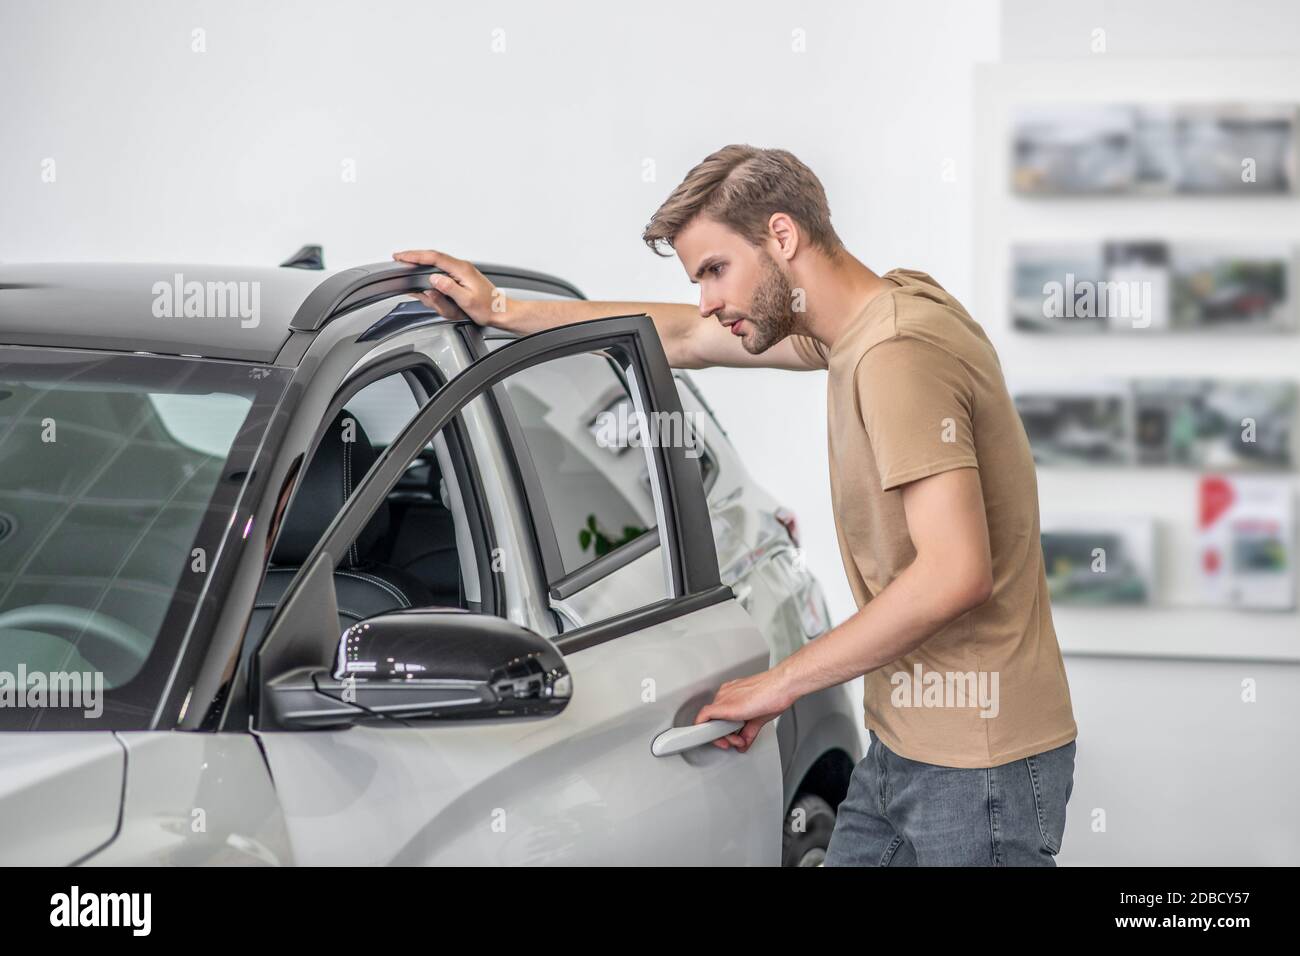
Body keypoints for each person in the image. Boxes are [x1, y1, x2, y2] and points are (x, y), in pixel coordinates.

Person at [393, 143, 1078, 866]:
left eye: (716, 270)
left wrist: (778, 684)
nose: (708, 299)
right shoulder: (868, 320)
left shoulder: (896, 354)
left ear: (782, 236)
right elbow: (685, 336)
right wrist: (500, 310)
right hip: (907, 745)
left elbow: (954, 574)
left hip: (979, 766)